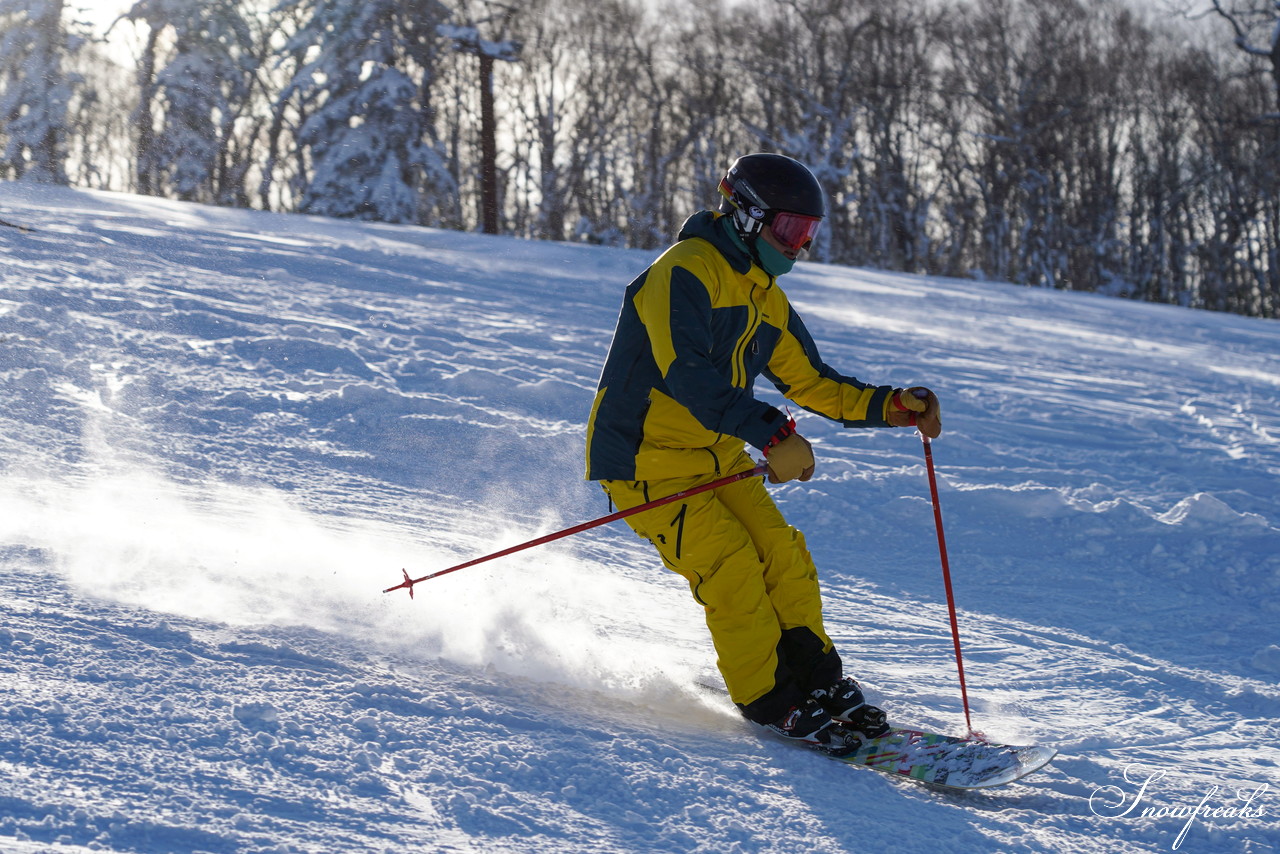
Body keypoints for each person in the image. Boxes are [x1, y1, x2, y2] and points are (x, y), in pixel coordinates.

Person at [584, 153, 941, 753]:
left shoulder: (761, 292)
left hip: (716, 454)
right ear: (748, 217)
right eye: (790, 230)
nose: (798, 247)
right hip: (646, 459)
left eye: (808, 234)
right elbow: (689, 377)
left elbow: (811, 380)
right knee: (731, 567)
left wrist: (891, 406)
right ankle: (771, 699)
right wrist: (774, 434)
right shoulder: (684, 272)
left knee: (782, 555)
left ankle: (819, 684)